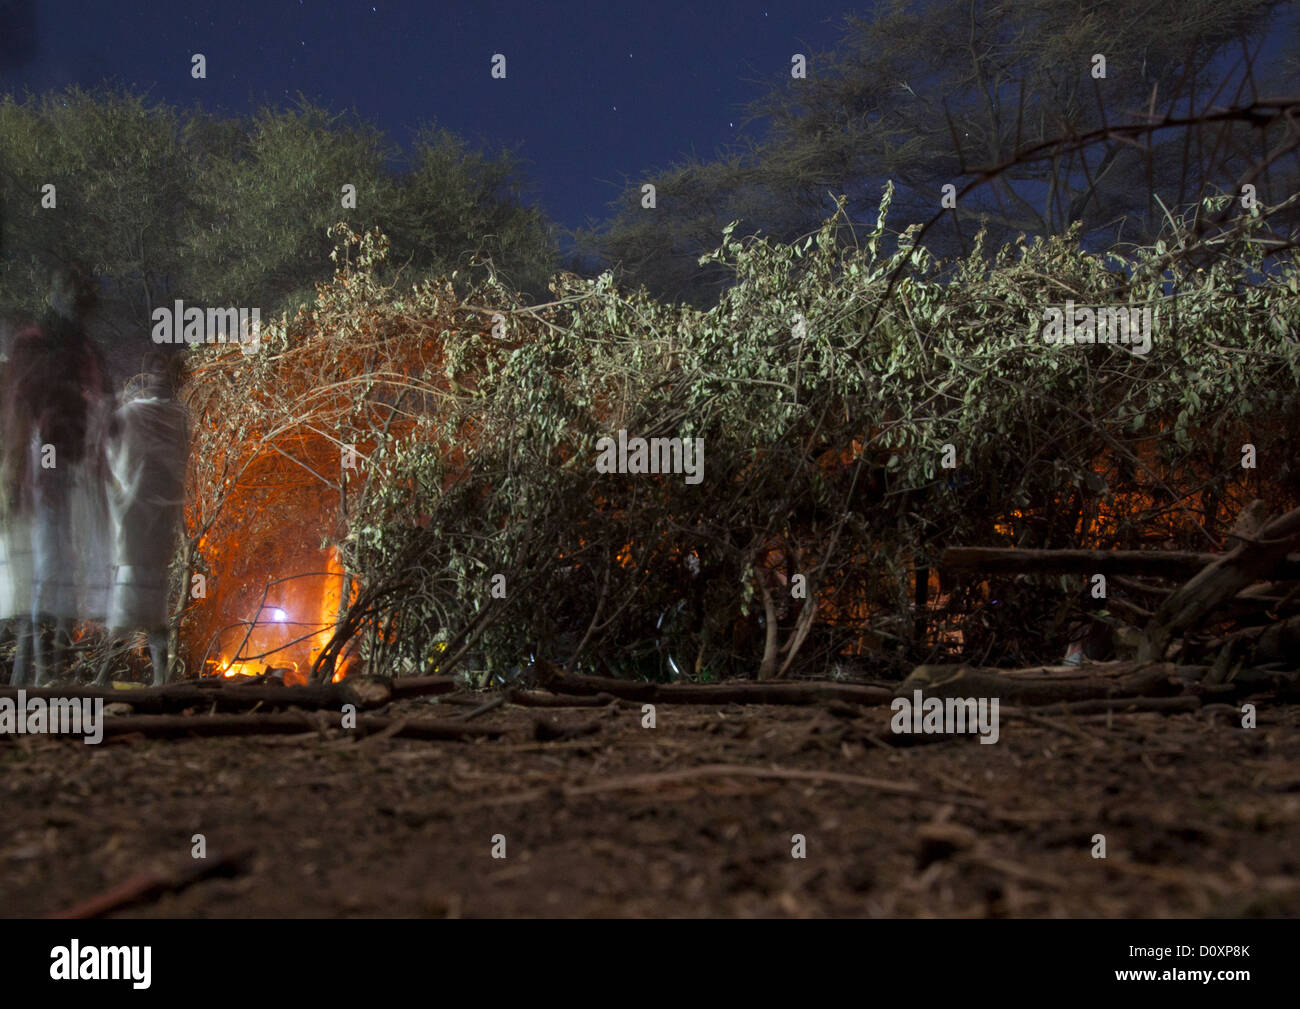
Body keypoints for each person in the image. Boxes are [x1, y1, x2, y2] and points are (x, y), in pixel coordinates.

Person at [2, 263, 114, 685]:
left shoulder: (85, 349)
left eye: (81, 286)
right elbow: (19, 408)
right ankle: (29, 676)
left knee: (70, 569)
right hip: (45, 467)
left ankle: (54, 673)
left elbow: (103, 407)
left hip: (79, 470)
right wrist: (15, 476)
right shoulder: (36, 342)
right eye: (68, 284)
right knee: (48, 568)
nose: (77, 295)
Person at [96, 352, 190, 686]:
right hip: (140, 516)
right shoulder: (140, 414)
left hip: (152, 516)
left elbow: (177, 463)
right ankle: (140, 676)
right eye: (158, 371)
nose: (161, 378)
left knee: (145, 594)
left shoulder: (173, 416)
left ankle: (148, 677)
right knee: (138, 593)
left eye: (167, 372)